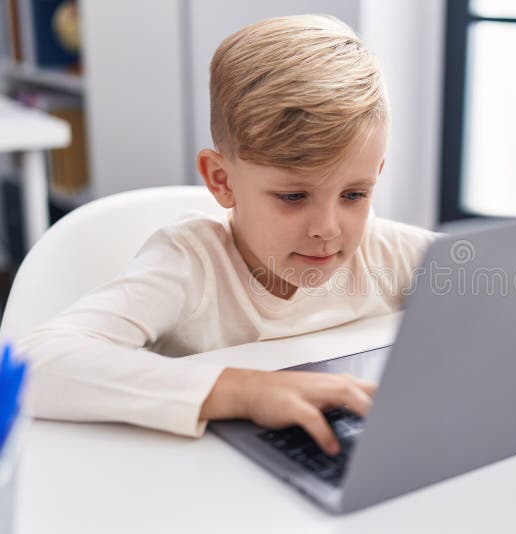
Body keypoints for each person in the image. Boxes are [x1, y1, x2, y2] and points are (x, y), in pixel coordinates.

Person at [17, 14, 437, 457]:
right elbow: (35, 363)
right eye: (294, 196)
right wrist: (243, 391)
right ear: (221, 180)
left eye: (354, 194)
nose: (328, 229)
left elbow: (498, 306)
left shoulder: (383, 250)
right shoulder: (190, 264)